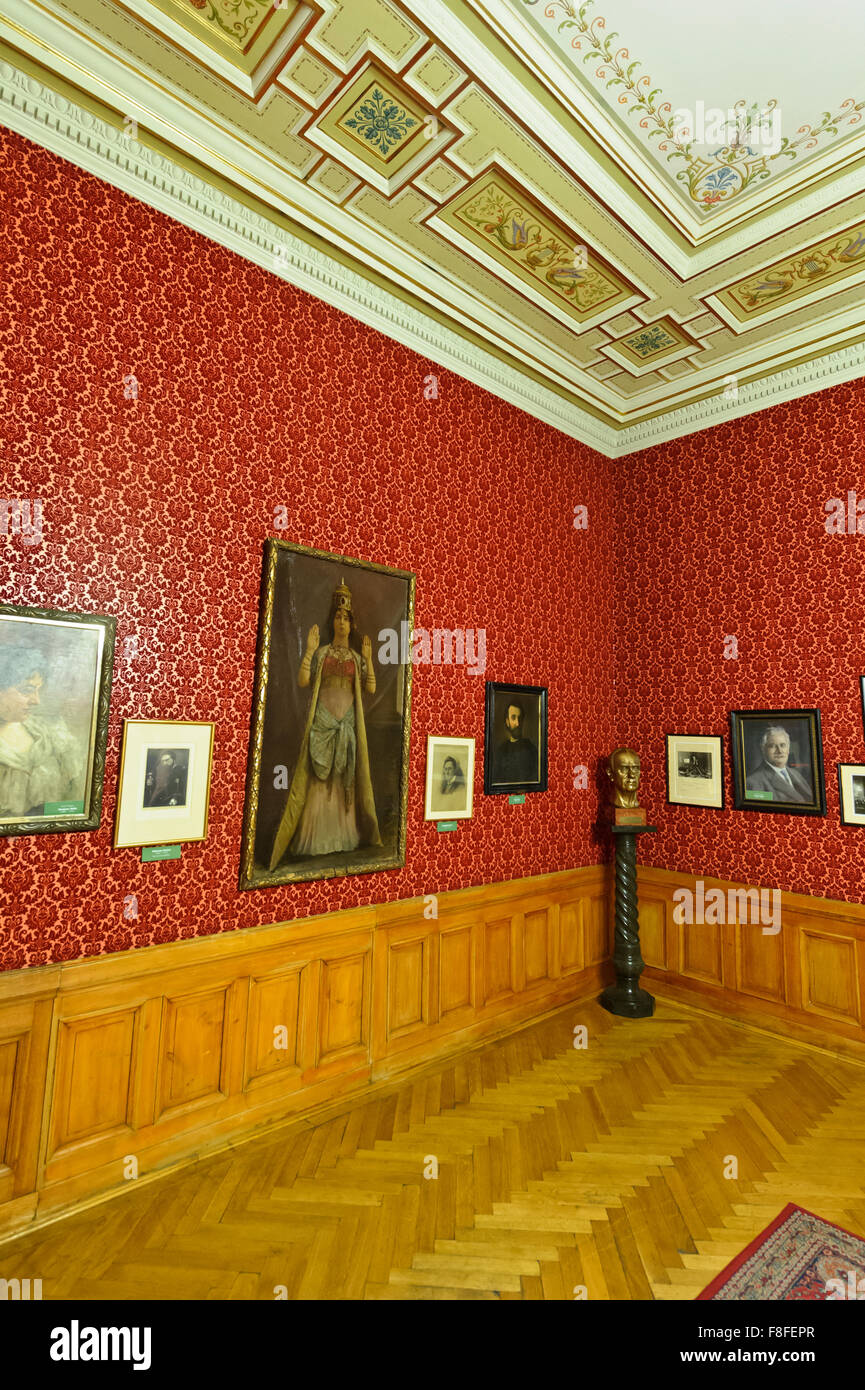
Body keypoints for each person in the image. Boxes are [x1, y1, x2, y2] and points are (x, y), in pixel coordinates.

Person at [269, 577, 381, 867]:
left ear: (351, 623)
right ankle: (314, 840)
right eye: (338, 617)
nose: (342, 622)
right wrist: (308, 651)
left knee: (341, 778)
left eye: (346, 618)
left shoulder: (356, 658)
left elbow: (369, 689)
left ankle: (344, 838)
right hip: (322, 723)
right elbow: (304, 680)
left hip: (347, 724)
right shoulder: (322, 653)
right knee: (318, 781)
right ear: (332, 621)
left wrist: (369, 658)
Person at [0, 646, 84, 818]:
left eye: (38, 690)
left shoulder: (50, 732)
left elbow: (76, 800)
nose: (36, 701)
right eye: (26, 691)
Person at [746, 725, 812, 803]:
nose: (780, 751)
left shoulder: (796, 774)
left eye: (783, 745)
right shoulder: (753, 782)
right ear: (763, 749)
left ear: (788, 749)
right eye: (773, 746)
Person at [493, 700, 538, 783]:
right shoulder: (500, 751)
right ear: (507, 722)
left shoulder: (531, 749)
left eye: (520, 718)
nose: (518, 723)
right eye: (513, 718)